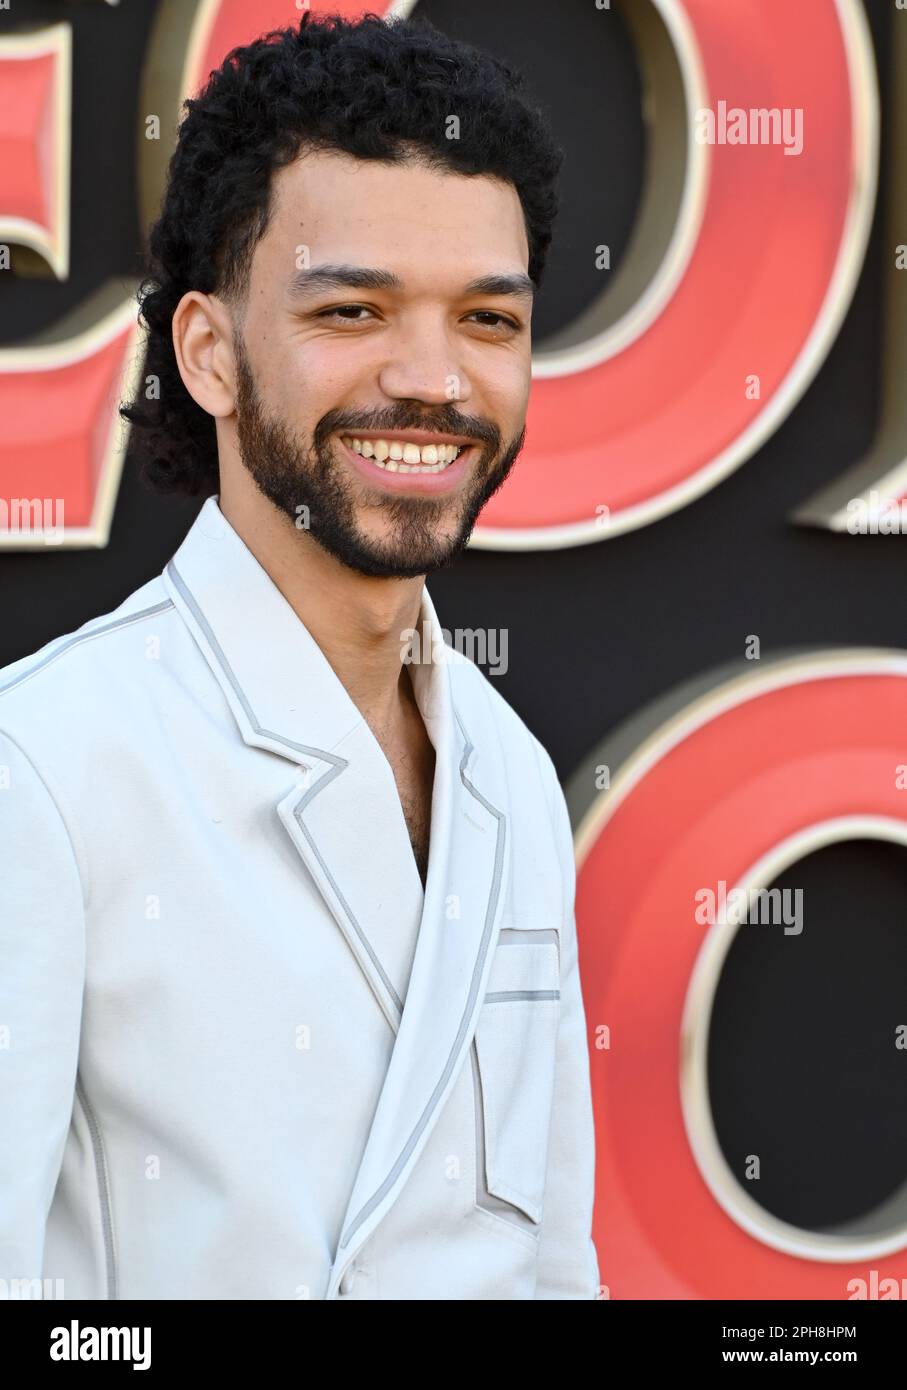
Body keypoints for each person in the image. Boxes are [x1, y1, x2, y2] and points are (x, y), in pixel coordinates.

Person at [0, 11, 599, 1300]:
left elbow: (554, 1269)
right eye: (354, 309)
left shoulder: (512, 777)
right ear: (208, 353)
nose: (433, 379)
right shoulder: (42, 770)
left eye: (487, 320)